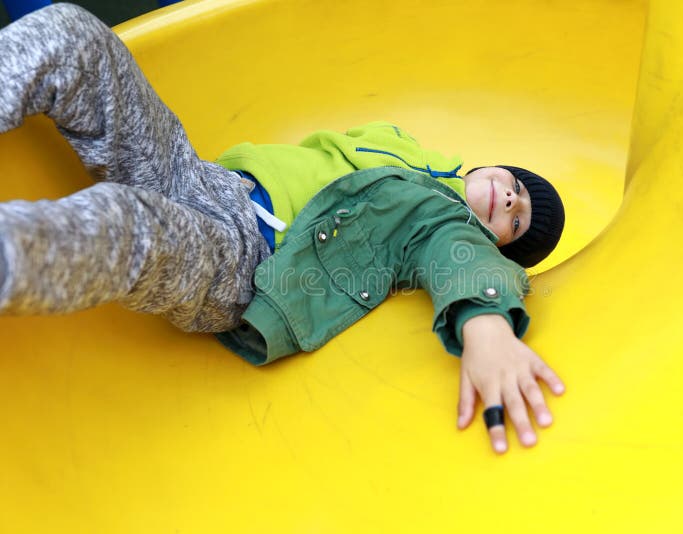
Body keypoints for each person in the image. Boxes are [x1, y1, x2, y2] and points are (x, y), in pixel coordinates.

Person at [0, 3, 566, 454]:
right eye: (516, 186)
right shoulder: (409, 150)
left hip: (245, 261)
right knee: (77, 39)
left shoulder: (437, 217)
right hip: (209, 180)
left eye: (514, 224)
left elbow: (459, 255)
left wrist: (488, 328)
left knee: (125, 227)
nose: (511, 201)